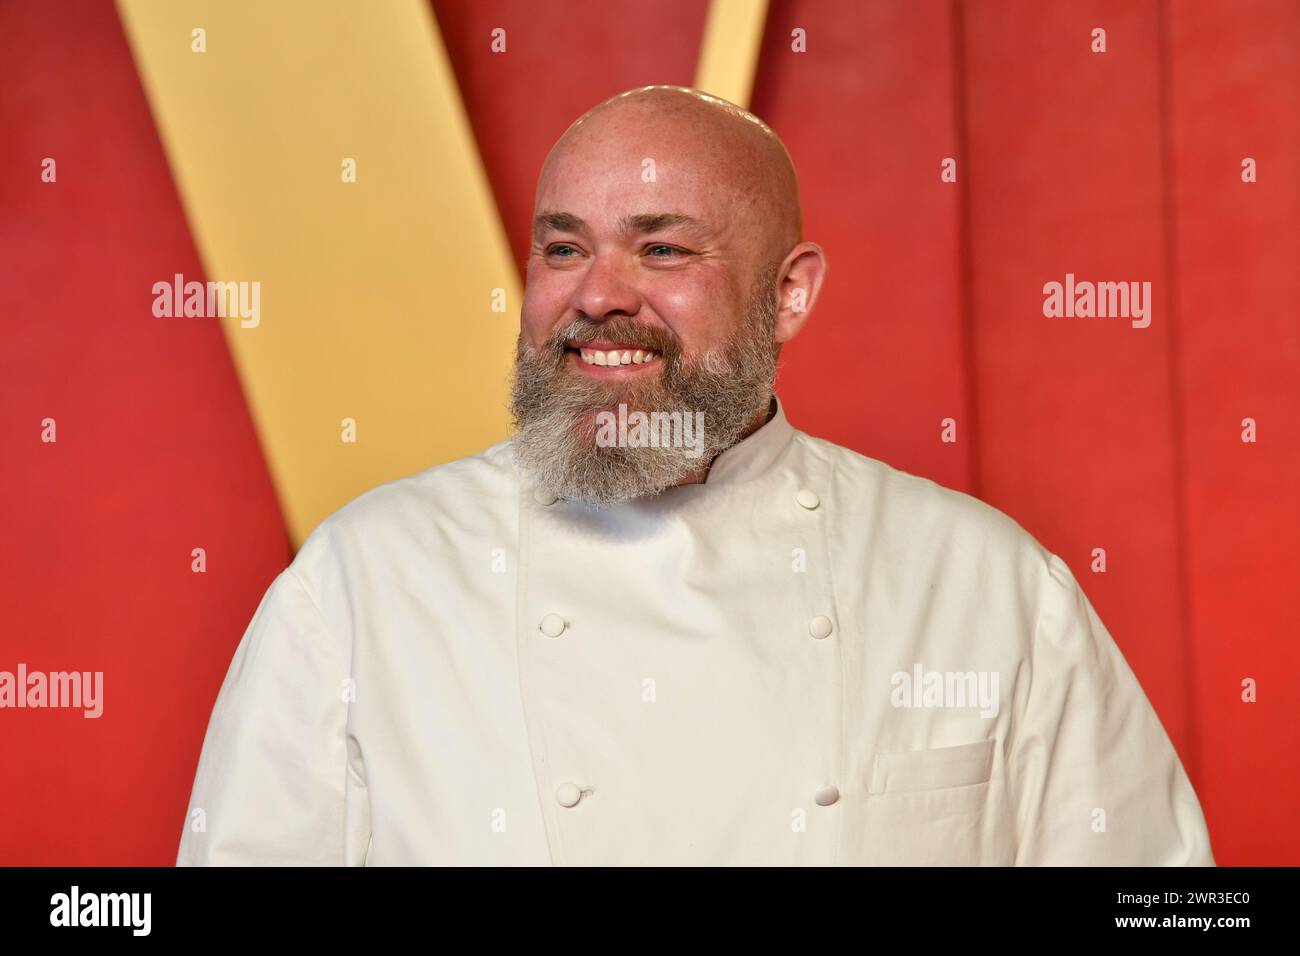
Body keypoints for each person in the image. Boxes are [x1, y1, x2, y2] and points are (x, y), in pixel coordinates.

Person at [177, 85, 1214, 866]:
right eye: (562, 247)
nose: (596, 296)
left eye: (662, 250)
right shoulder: (366, 581)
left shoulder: (984, 582)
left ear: (790, 292)